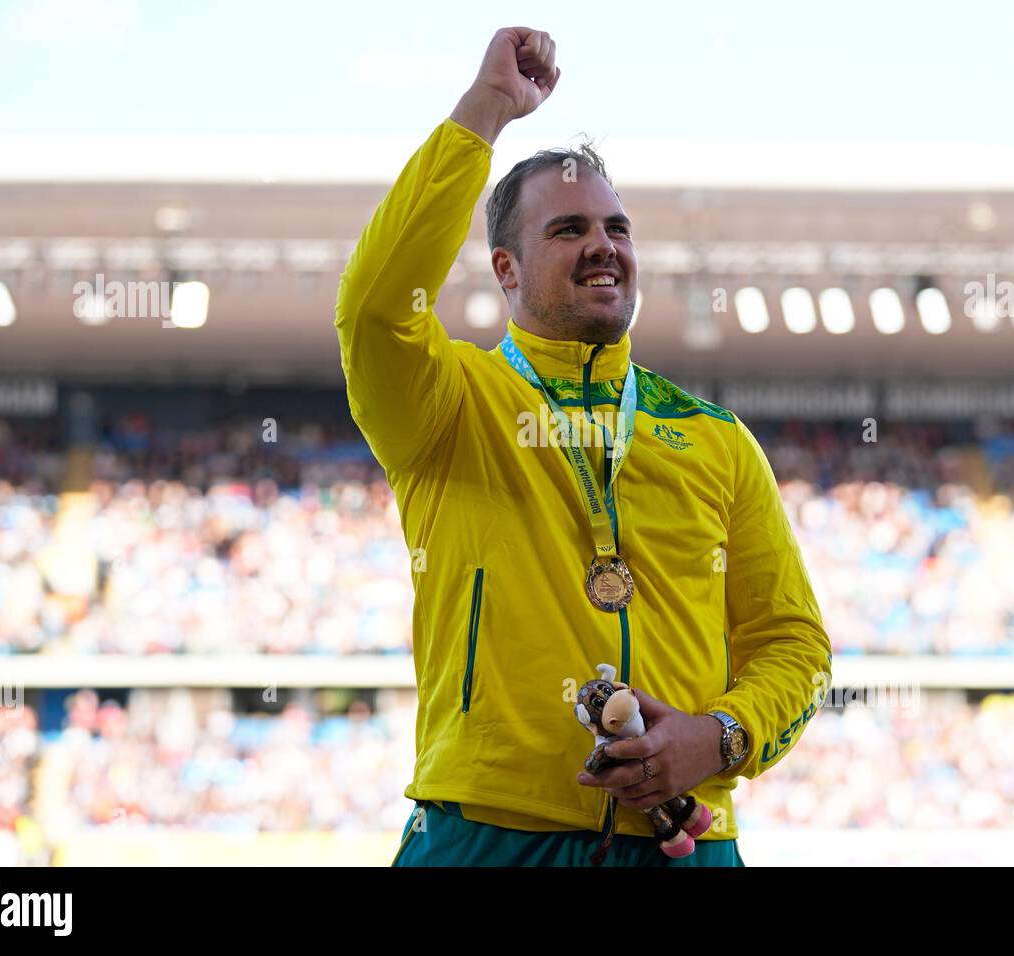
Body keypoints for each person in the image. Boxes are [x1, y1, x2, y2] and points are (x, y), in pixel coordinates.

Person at [334, 26, 831, 866]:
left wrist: (721, 738)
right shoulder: (448, 405)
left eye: (618, 227)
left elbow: (795, 646)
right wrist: (485, 111)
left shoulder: (716, 438)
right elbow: (377, 307)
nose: (604, 245)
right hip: (486, 835)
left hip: (686, 840)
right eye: (568, 229)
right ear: (506, 268)